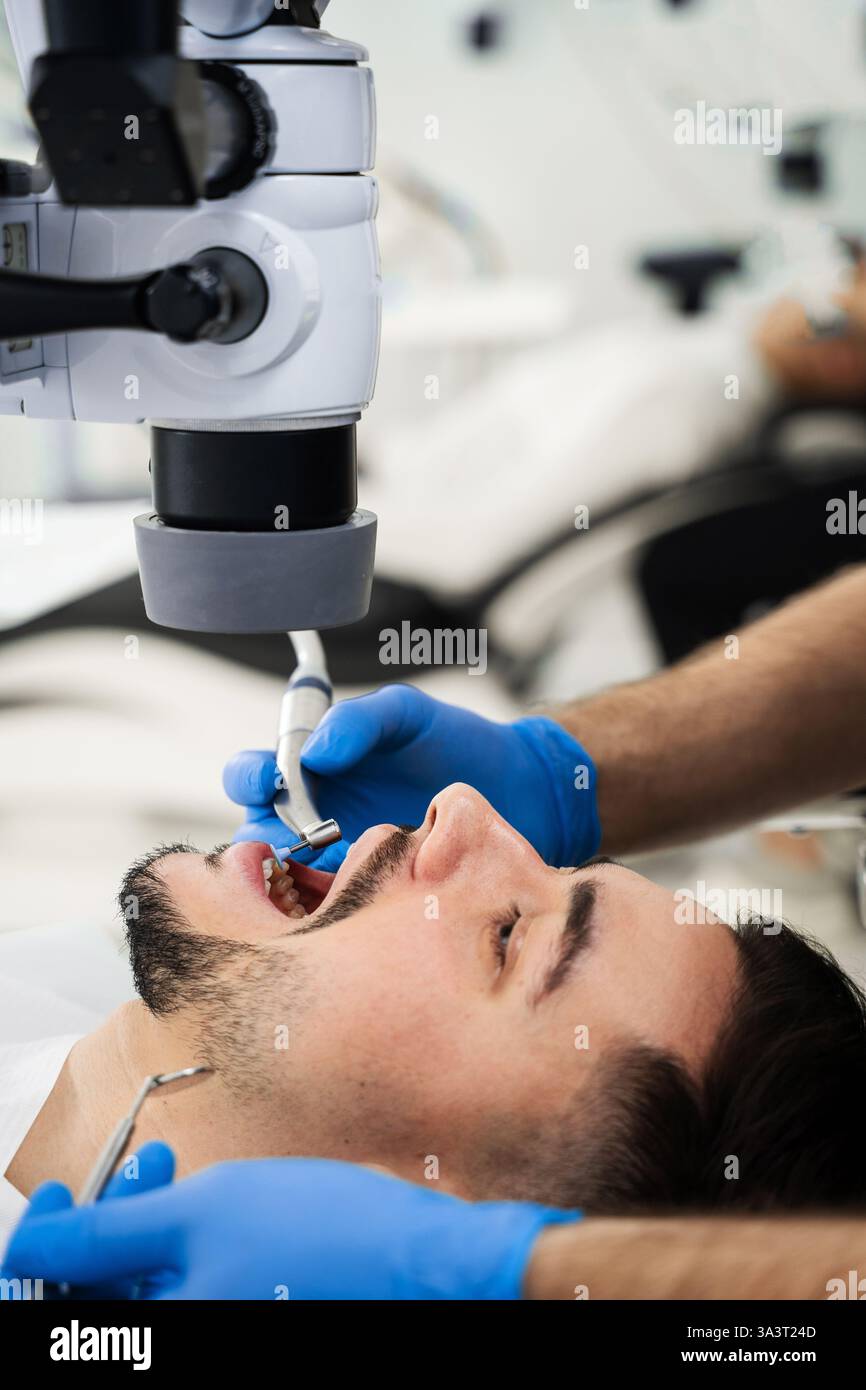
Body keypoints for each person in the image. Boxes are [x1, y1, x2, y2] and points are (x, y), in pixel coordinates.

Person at [6, 565, 866, 1299]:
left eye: (506, 936)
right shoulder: (65, 979)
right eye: (558, 868)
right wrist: (563, 773)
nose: (458, 808)